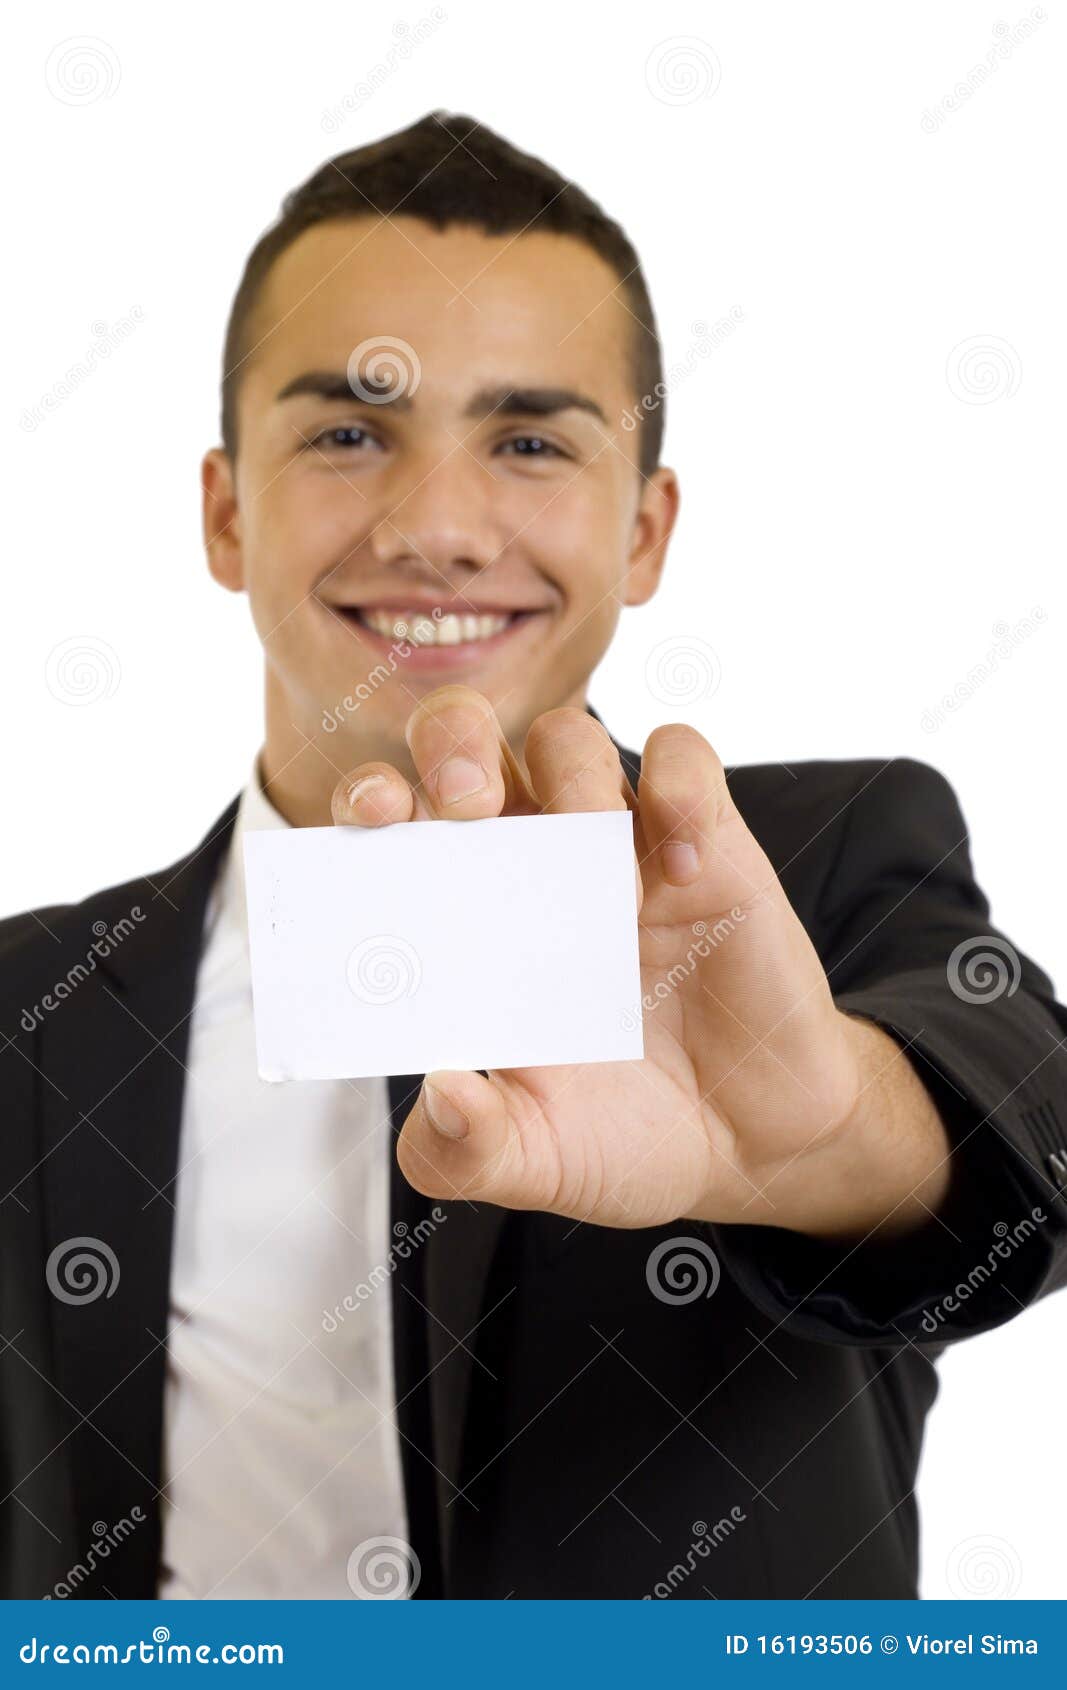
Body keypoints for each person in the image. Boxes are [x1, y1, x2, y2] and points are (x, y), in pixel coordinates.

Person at [3, 111, 1065, 1602]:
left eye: (527, 440)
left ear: (645, 529)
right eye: (349, 431)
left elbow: (1033, 1132)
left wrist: (828, 1126)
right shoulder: (25, 1004)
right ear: (227, 510)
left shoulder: (816, 864)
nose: (437, 526)